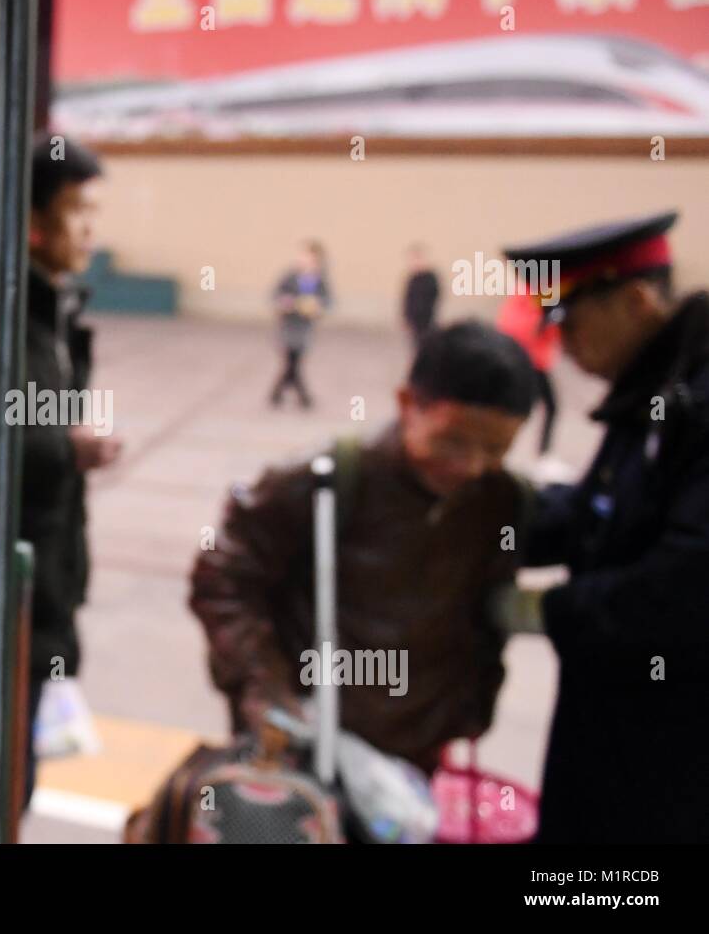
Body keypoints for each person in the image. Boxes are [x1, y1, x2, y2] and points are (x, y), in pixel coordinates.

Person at [192, 321, 537, 774]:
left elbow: (487, 609)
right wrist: (264, 686)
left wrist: (473, 708)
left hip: (419, 746)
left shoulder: (500, 498)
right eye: (452, 440)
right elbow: (224, 578)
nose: (471, 466)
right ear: (407, 404)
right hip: (307, 737)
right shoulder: (323, 480)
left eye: (496, 449)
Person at [512, 210, 709, 843]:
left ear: (635, 300)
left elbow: (687, 584)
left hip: (673, 745)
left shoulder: (694, 402)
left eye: (569, 320)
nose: (561, 344)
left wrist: (548, 609)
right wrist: (490, 520)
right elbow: (602, 509)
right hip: (617, 721)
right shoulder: (656, 388)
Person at [19, 134, 123, 808]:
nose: (89, 227)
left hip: (50, 582)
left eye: (95, 210)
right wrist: (64, 445)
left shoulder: (57, 309)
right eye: (76, 209)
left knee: (19, 771)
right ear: (31, 221)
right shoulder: (5, 311)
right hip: (14, 584)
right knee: (6, 773)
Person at [496, 288, 562, 455]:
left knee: (526, 408)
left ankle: (539, 453)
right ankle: (506, 449)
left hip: (524, 359)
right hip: (531, 362)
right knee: (524, 409)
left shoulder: (531, 291)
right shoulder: (539, 292)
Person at [270, 241, 331, 409]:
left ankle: (278, 393)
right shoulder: (290, 278)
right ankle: (302, 397)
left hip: (305, 327)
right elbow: (276, 295)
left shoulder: (319, 281)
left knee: (294, 362)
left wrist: (317, 306)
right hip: (289, 325)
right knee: (291, 361)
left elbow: (327, 301)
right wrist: (284, 303)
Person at [401, 242, 441, 349]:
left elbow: (434, 296)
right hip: (414, 319)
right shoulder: (413, 279)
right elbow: (407, 299)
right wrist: (406, 317)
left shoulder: (430, 278)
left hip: (426, 319)